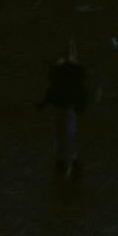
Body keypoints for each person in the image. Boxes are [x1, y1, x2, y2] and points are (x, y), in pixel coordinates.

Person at [41, 54, 89, 187]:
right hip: (68, 109)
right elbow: (81, 94)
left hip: (60, 109)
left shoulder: (58, 79)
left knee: (60, 134)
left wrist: (43, 104)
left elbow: (50, 93)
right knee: (69, 135)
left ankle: (62, 160)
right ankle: (72, 160)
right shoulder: (73, 81)